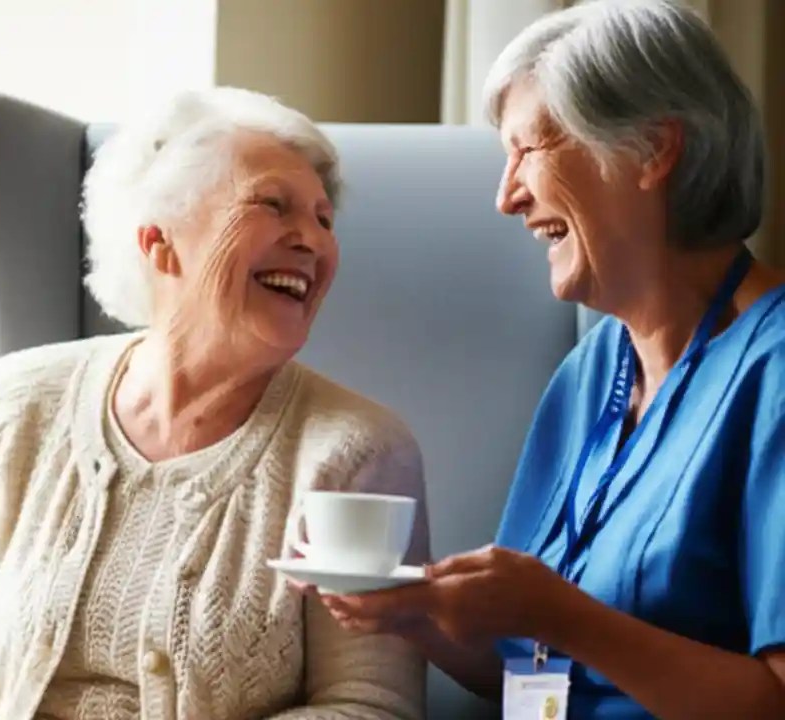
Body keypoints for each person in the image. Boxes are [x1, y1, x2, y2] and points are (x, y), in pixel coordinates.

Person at [0, 87, 430, 720]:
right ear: (159, 242)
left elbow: (370, 706)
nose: (312, 241)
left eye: (324, 220)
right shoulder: (15, 403)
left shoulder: (355, 450)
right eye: (272, 205)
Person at [315, 2, 785, 718]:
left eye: (526, 149)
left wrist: (561, 614)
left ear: (654, 149)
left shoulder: (775, 370)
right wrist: (414, 614)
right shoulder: (592, 372)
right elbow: (528, 664)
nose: (506, 197)